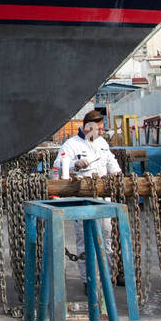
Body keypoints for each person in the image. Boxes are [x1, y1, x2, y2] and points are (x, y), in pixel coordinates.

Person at [52, 109, 121, 285]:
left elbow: (111, 162)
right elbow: (58, 163)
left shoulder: (102, 143)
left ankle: (110, 275)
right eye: (99, 128)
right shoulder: (71, 145)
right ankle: (88, 280)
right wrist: (75, 163)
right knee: (85, 240)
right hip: (83, 199)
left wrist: (120, 175)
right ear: (89, 128)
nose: (102, 131)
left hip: (103, 198)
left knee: (107, 236)